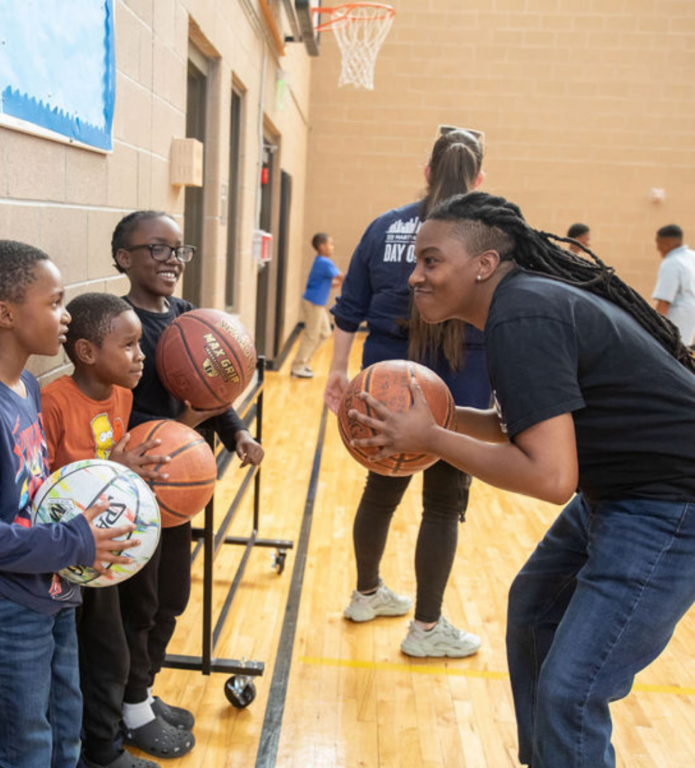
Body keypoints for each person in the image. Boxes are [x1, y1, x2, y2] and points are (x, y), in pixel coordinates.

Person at [348, 190, 695, 768]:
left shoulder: (522, 314)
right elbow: (521, 430)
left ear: (484, 264)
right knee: (534, 609)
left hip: (671, 504)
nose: (414, 276)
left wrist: (431, 439)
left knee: (574, 692)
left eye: (431, 261)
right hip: (623, 492)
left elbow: (551, 475)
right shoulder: (521, 306)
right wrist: (440, 418)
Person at [0, 241, 139, 768]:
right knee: (26, 750)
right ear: (4, 314)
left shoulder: (24, 384)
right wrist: (74, 539)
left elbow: (36, 490)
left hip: (48, 585)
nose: (66, 315)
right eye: (53, 303)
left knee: (65, 737)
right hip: (3, 602)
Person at [324, 129, 491, 658]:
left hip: (387, 390)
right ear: (479, 178)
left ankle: (366, 594)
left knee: (380, 491)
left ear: (427, 171)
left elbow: (350, 306)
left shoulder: (385, 226)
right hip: (457, 395)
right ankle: (425, 629)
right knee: (442, 508)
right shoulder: (490, 236)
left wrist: (337, 369)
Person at [110, 211, 265, 760]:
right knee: (141, 603)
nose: (172, 258)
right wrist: (190, 425)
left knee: (173, 595)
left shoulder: (187, 316)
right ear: (123, 258)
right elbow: (126, 422)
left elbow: (214, 395)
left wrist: (238, 432)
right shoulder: (119, 327)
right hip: (142, 485)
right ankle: (128, 711)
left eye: (179, 249)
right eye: (157, 248)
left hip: (182, 486)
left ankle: (145, 694)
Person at [41, 293, 177, 768]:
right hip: (76, 555)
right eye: (130, 345)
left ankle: (108, 735)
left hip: (113, 545)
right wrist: (111, 468)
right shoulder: (53, 402)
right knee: (100, 655)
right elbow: (48, 491)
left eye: (140, 344)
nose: (141, 356)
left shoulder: (122, 393)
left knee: (120, 642)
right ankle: (101, 752)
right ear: (87, 352)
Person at [290, 232, 343, 378]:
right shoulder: (325, 262)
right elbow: (341, 277)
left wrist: (340, 282)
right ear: (322, 246)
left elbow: (329, 283)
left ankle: (304, 361)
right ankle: (297, 367)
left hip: (317, 304)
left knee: (325, 333)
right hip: (313, 303)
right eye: (330, 244)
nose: (332, 247)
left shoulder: (321, 261)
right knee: (311, 335)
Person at [652, 223, 695, 345]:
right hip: (690, 316)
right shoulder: (692, 256)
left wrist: (654, 327)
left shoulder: (672, 262)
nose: (657, 247)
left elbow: (664, 301)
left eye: (658, 242)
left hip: (675, 319)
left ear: (668, 243)